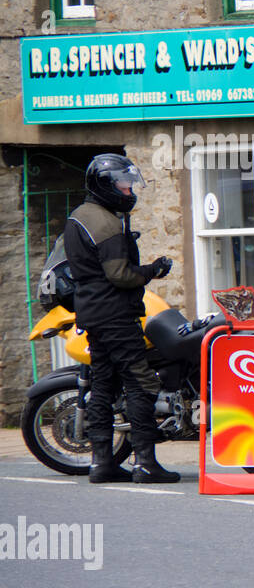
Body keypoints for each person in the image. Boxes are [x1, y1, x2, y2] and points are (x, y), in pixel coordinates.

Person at [64, 154, 177, 483]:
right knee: (140, 383)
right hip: (115, 314)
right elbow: (121, 275)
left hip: (93, 313)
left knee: (103, 384)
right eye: (123, 185)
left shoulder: (79, 216)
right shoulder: (106, 223)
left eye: (129, 184)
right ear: (105, 185)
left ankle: (101, 463)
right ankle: (146, 463)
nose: (129, 191)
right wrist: (153, 270)